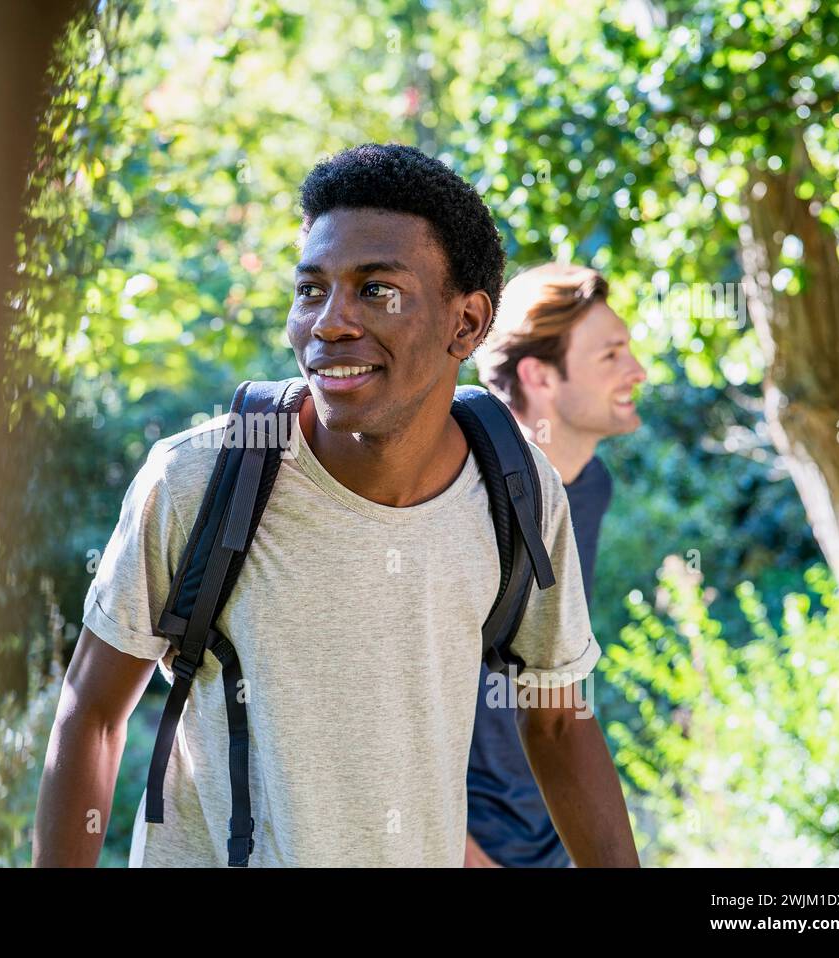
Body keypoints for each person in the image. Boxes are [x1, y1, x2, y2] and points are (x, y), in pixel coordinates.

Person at [32, 144, 639, 867]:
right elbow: (93, 717)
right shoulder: (199, 480)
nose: (329, 323)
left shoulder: (520, 491)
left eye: (376, 290)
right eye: (311, 289)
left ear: (467, 324)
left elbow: (561, 726)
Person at [464, 263, 647, 867]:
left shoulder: (590, 486)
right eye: (610, 355)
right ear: (539, 375)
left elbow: (553, 694)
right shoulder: (456, 493)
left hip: (553, 839)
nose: (637, 371)